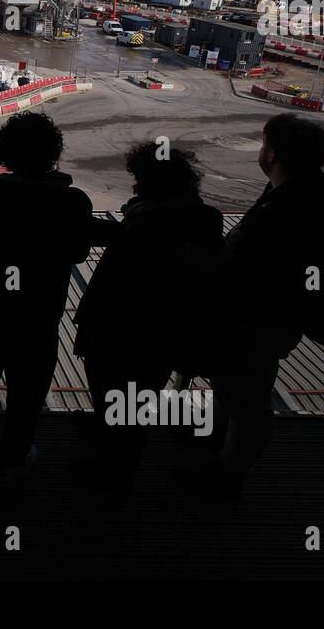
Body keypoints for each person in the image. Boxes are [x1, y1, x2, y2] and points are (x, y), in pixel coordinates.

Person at [184, 113, 324, 497]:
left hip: (256, 324)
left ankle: (227, 477)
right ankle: (221, 452)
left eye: (265, 145)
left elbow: (245, 268)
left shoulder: (286, 210)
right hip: (269, 323)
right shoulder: (305, 201)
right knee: (241, 394)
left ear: (274, 154)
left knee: (249, 404)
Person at [0, 111, 95, 487]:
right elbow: (78, 253)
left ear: (4, 155)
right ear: (53, 155)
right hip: (40, 318)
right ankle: (13, 460)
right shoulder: (74, 203)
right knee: (27, 395)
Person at [73, 141, 223, 486]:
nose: (136, 184)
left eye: (140, 178)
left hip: (124, 329)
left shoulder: (149, 220)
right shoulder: (199, 218)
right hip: (163, 332)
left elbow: (140, 264)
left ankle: (115, 472)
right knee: (135, 398)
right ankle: (108, 435)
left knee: (121, 401)